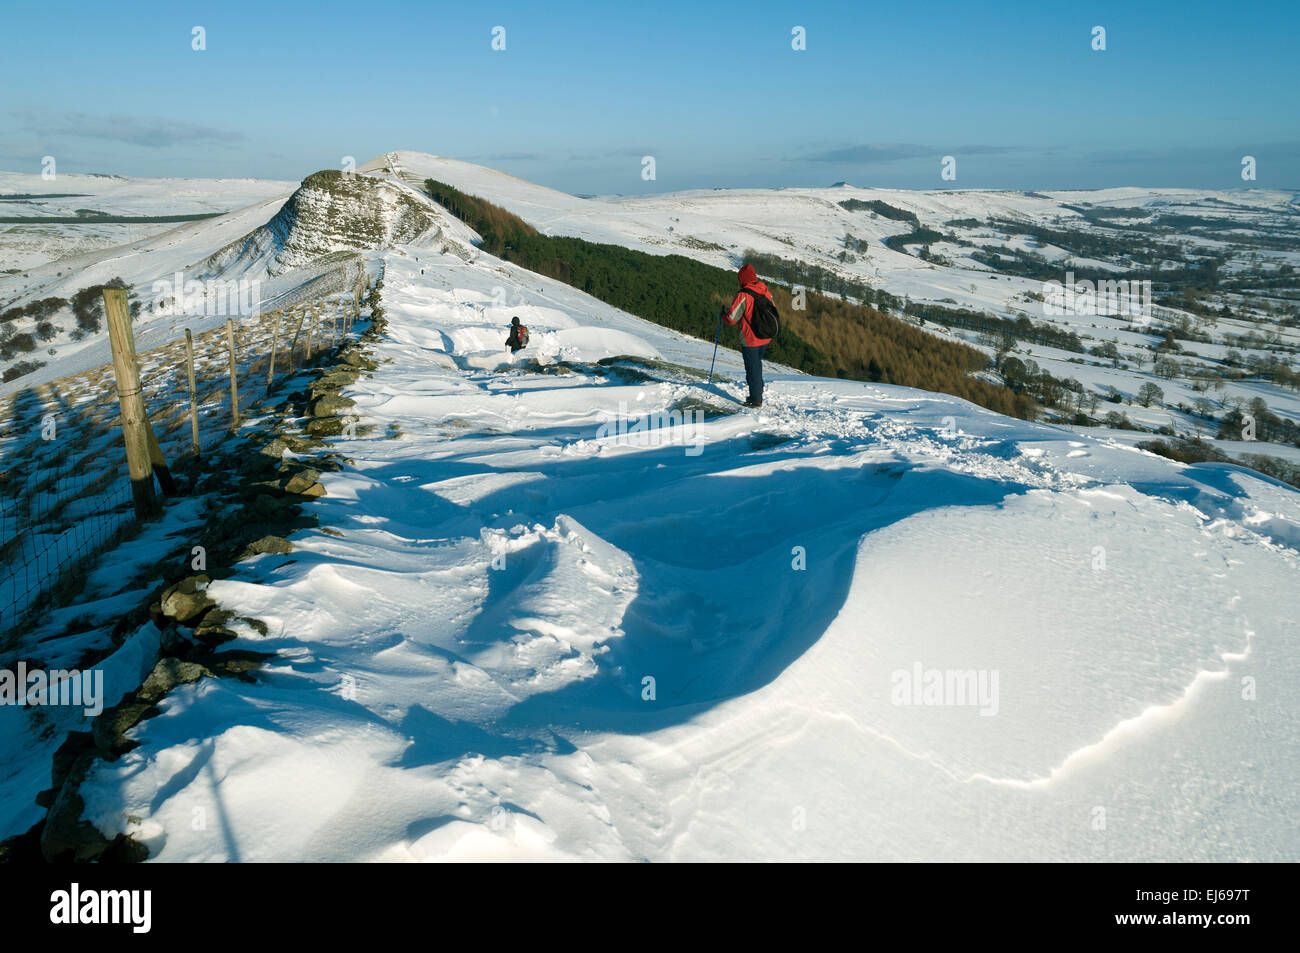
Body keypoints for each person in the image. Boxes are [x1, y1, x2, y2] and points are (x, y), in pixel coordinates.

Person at [721, 263, 774, 407]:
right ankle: (758, 391)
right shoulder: (766, 291)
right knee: (757, 365)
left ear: (742, 279)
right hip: (765, 336)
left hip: (750, 338)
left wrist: (723, 316)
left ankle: (756, 400)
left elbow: (732, 319)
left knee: (752, 369)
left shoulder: (743, 294)